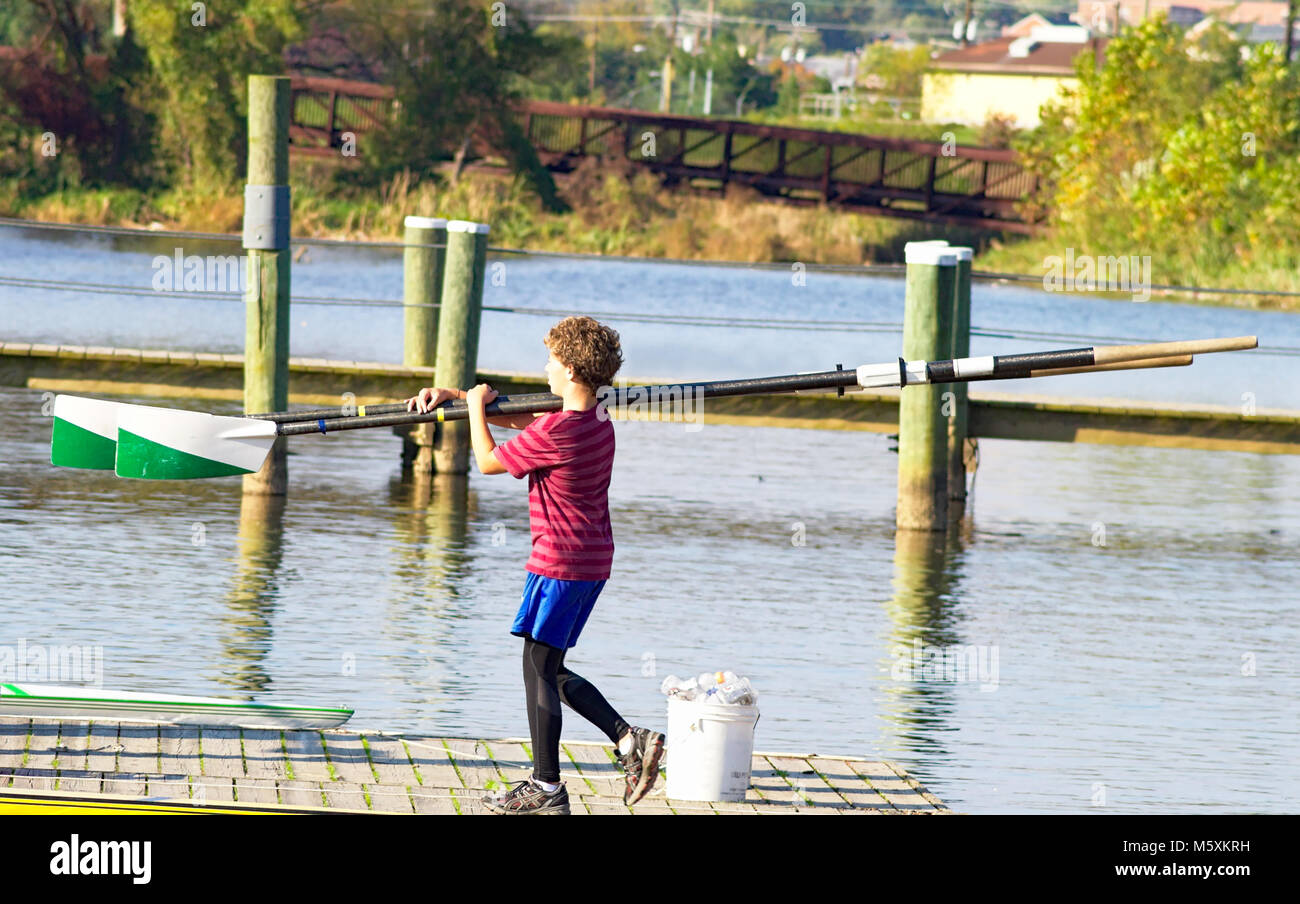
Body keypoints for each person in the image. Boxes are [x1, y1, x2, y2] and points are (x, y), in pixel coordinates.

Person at [407, 316, 665, 815]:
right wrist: (458, 397)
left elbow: (487, 460)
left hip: (560, 563)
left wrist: (477, 407)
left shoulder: (557, 431)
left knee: (540, 669)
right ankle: (629, 741)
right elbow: (530, 424)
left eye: (549, 361)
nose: (544, 368)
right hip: (591, 561)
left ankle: (549, 787)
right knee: (545, 666)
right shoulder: (596, 421)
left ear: (569, 370)